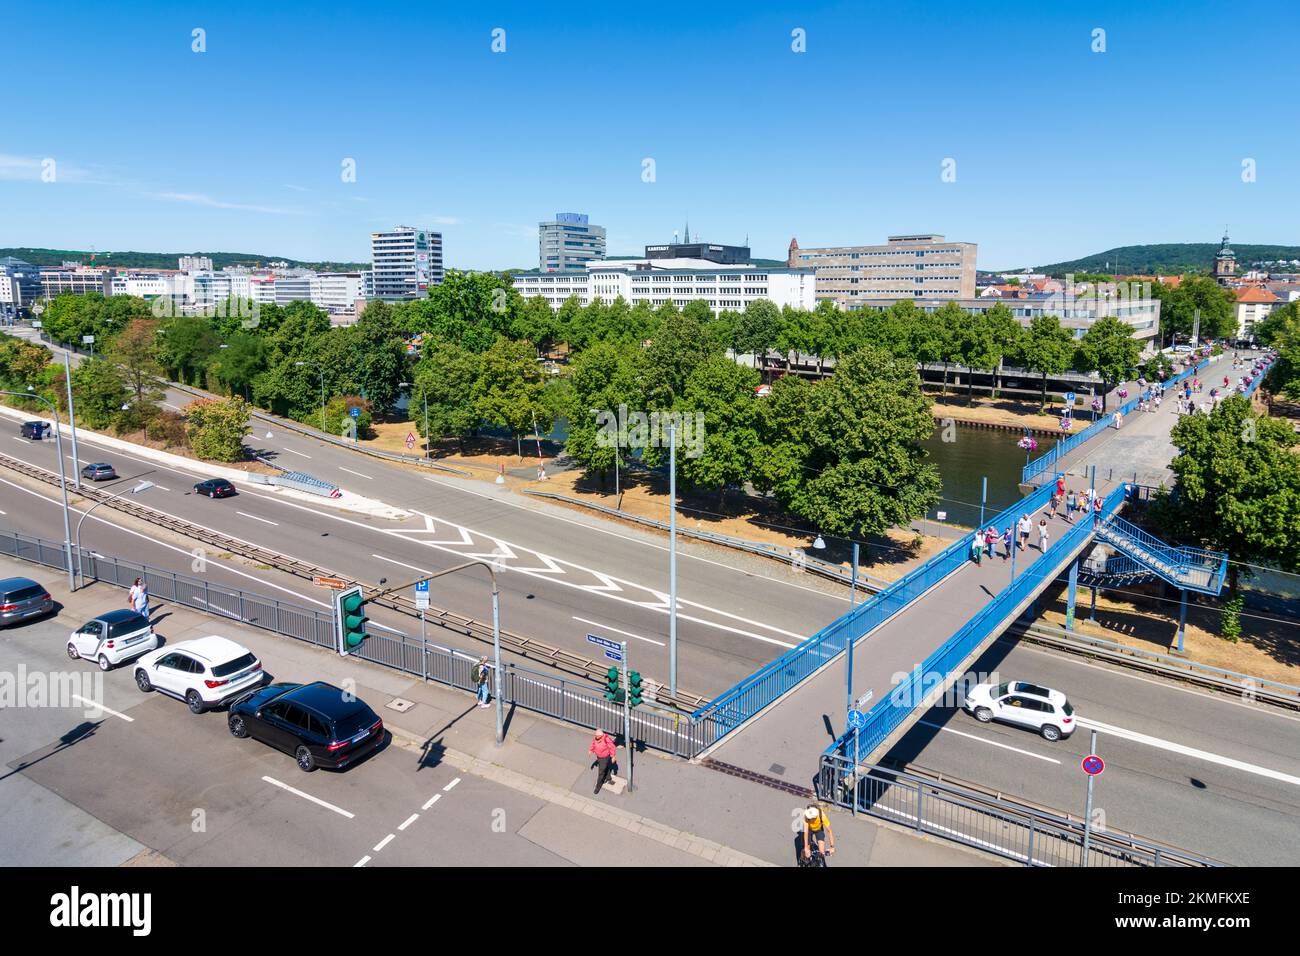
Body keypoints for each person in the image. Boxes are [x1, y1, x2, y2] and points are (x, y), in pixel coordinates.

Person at [589, 728, 618, 794]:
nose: (595, 737)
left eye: (597, 736)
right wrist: (591, 750)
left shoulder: (606, 739)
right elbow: (593, 744)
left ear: (601, 735)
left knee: (601, 773)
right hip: (599, 757)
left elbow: (612, 747)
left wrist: (613, 756)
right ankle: (608, 778)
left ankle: (597, 787)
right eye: (595, 735)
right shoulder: (596, 738)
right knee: (606, 767)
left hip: (605, 758)